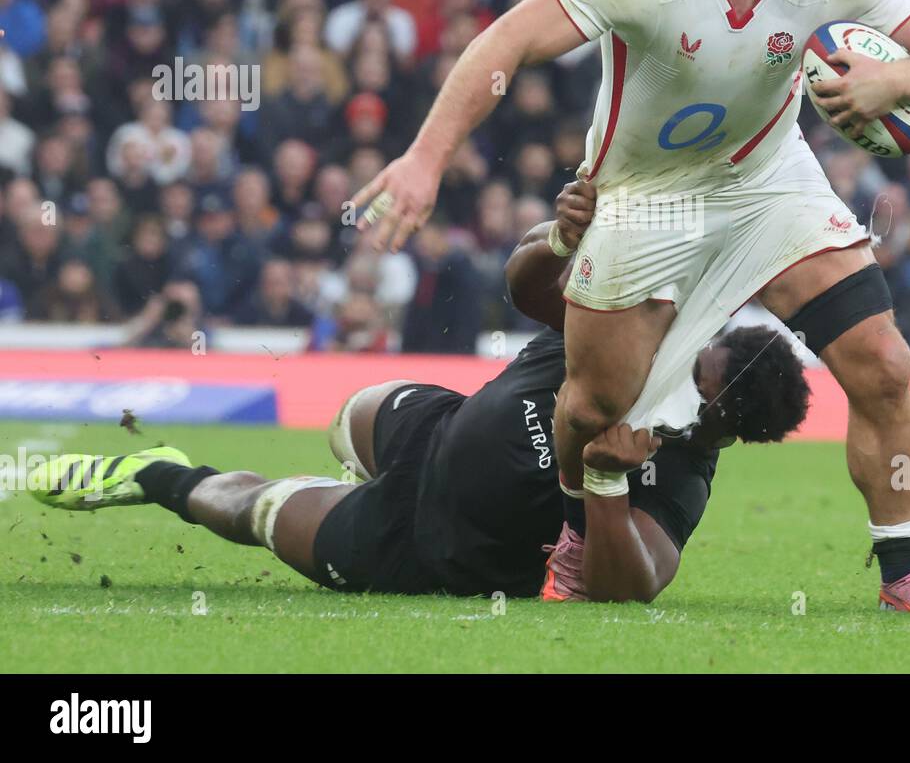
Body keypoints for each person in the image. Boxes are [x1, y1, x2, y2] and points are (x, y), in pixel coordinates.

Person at [355, 0, 910, 614]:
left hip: (765, 178)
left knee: (884, 363)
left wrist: (896, 84)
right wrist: (425, 159)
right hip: (642, 193)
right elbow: (505, 44)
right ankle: (576, 531)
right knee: (593, 406)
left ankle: (905, 577)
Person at [27, 181, 811, 603]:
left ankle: (154, 473)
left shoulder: (677, 475)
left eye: (697, 391)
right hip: (431, 426)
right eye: (696, 357)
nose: (678, 376)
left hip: (424, 546)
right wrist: (561, 237)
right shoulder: (638, 339)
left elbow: (634, 586)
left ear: (720, 429)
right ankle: (337, 483)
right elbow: (527, 291)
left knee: (251, 511)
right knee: (345, 419)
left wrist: (605, 481)